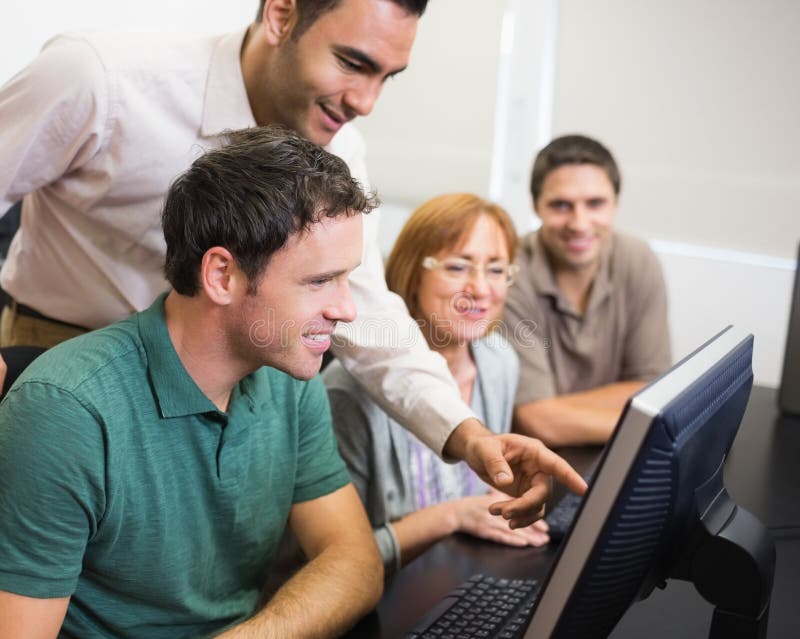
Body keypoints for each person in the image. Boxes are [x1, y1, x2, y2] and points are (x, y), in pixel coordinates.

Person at [0, 0, 579, 525]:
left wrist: (469, 435)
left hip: (221, 390)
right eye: (353, 62)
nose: (366, 102)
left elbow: (371, 314)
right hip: (55, 362)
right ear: (280, 15)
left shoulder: (338, 145)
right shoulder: (101, 78)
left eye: (387, 77)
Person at [0, 126, 386, 638]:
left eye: (345, 278)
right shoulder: (66, 412)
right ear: (222, 276)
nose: (345, 309)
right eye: (319, 281)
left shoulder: (290, 378)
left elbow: (355, 561)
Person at [325, 194, 551, 575]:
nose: (480, 289)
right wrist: (454, 517)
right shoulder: (347, 392)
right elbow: (330, 565)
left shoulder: (498, 361)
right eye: (459, 267)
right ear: (413, 274)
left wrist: (501, 501)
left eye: (496, 270)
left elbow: (483, 492)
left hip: (463, 573)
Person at [504, 134, 672, 447]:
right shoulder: (505, 272)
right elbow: (537, 422)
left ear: (615, 205)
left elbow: (653, 388)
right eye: (561, 205)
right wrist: (654, 429)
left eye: (595, 203)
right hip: (531, 461)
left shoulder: (638, 260)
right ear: (535, 206)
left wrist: (553, 410)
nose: (579, 223)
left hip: (611, 456)